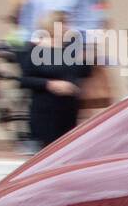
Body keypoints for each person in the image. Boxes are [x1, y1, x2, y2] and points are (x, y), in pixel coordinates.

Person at [16, 11, 92, 148]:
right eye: (62, 24)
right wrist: (49, 84)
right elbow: (24, 80)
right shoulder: (35, 48)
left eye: (67, 23)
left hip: (68, 110)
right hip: (45, 111)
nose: (67, 27)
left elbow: (83, 73)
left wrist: (86, 59)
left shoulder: (71, 48)